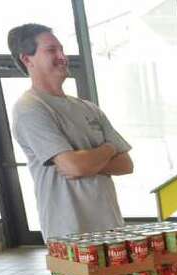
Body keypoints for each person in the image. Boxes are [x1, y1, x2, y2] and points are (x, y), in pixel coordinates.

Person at [8, 23, 133, 241]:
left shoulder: (89, 108)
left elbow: (126, 165)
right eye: (51, 50)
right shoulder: (30, 108)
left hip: (112, 229)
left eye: (61, 49)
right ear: (27, 59)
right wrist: (109, 150)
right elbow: (73, 167)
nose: (62, 57)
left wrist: (89, 161)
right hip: (69, 235)